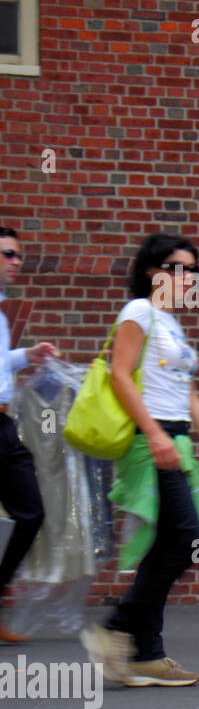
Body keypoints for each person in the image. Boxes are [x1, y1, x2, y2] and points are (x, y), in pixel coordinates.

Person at [80, 233, 199, 685]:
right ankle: (117, 627)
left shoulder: (170, 322)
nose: (188, 278)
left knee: (169, 543)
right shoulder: (138, 311)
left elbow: (189, 396)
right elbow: (120, 374)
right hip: (149, 439)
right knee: (183, 539)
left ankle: (145, 653)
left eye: (194, 270)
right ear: (152, 271)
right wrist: (154, 434)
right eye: (178, 268)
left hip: (175, 442)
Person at [0, 227, 57, 643]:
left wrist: (27, 355)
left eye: (18, 255)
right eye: (8, 254)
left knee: (31, 510)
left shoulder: (2, 313)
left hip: (2, 423)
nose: (16, 261)